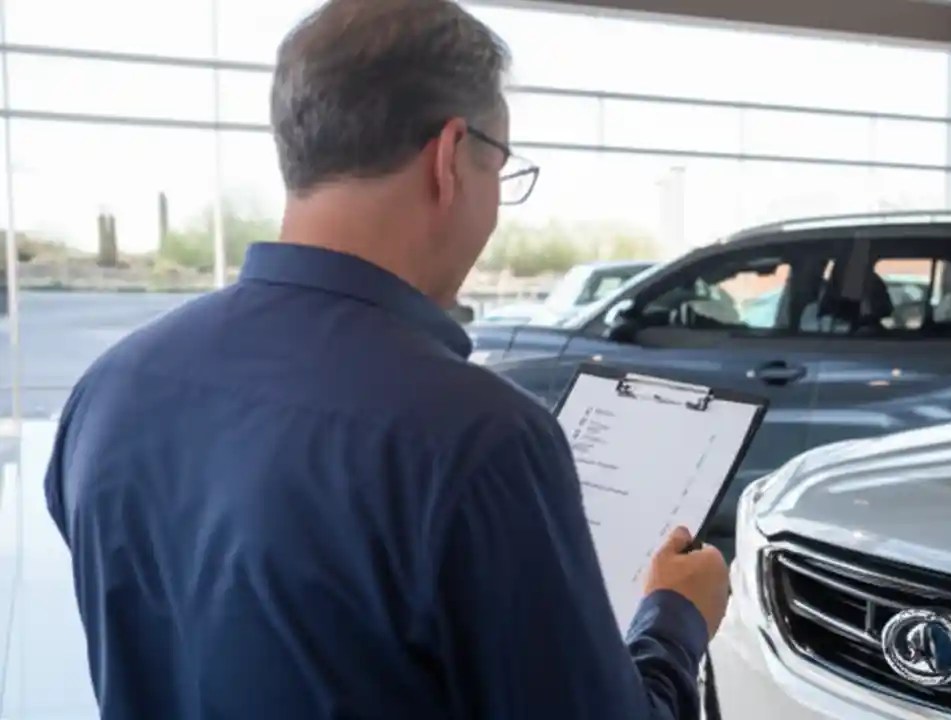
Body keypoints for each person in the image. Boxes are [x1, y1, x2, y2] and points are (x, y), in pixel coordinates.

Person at [43, 1, 729, 718]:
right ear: (450, 157)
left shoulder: (108, 390)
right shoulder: (480, 439)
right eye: (500, 168)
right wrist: (675, 620)